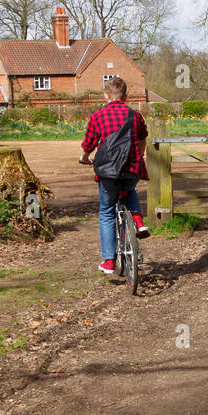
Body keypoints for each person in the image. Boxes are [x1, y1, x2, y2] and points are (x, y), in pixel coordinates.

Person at [80, 77, 150, 276]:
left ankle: (109, 261)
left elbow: (89, 144)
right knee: (129, 189)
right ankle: (138, 221)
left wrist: (84, 158)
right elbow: (143, 137)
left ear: (105, 96)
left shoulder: (98, 116)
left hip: (107, 170)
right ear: (126, 97)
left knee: (107, 212)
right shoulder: (135, 116)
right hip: (131, 168)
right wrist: (140, 155)